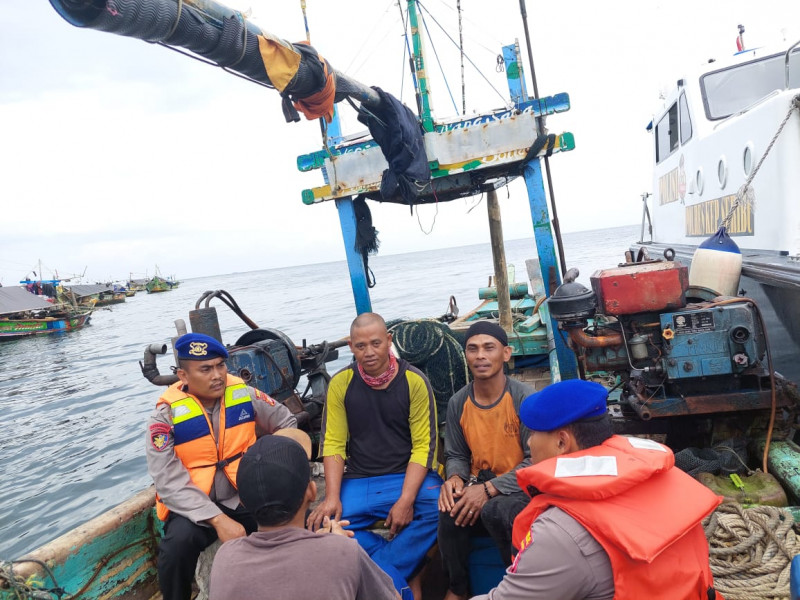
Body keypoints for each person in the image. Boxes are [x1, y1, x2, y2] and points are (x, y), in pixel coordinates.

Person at [472, 379, 723, 600]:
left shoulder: (559, 533)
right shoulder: (664, 477)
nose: (528, 441)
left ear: (561, 442)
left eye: (534, 433)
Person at [146, 332, 297, 600]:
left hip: (244, 493)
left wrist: (274, 469)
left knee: (292, 521)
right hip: (195, 505)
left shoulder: (243, 394)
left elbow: (286, 423)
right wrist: (217, 520)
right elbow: (167, 479)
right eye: (206, 369)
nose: (217, 375)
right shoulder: (165, 417)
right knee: (175, 548)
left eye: (220, 366)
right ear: (183, 376)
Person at [306, 312, 442, 600]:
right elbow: (333, 443)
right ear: (351, 346)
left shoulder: (414, 381)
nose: (368, 352)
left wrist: (405, 500)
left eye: (376, 343)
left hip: (407, 477)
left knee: (440, 509)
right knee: (326, 524)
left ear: (389, 341)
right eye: (360, 346)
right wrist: (331, 497)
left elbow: (424, 447)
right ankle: (400, 575)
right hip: (362, 479)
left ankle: (379, 574)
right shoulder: (341, 383)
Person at [209, 432, 400, 600]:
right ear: (312, 491)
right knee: (397, 582)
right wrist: (335, 545)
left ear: (242, 501)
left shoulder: (226, 558)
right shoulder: (343, 552)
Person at [438, 320, 535, 600]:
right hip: (479, 485)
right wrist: (455, 479)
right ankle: (457, 587)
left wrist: (490, 489)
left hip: (521, 491)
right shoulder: (459, 402)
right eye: (472, 349)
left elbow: (536, 462)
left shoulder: (524, 399)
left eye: (488, 348)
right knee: (449, 509)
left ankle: (516, 584)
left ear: (506, 353)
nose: (480, 355)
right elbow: (456, 454)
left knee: (497, 511)